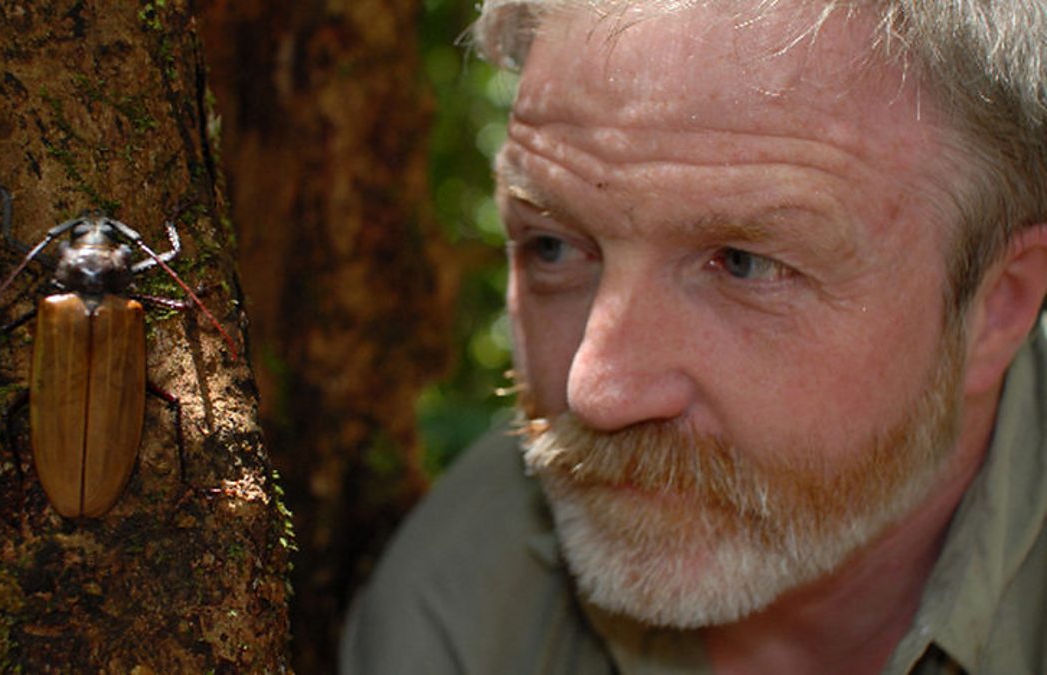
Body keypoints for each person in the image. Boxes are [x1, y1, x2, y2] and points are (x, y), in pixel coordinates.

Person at [341, 1, 1047, 672]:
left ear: (998, 306)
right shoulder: (467, 595)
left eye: (744, 264)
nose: (597, 391)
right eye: (553, 247)